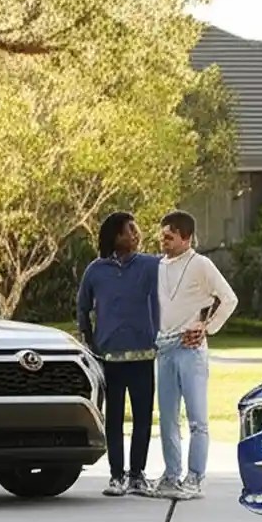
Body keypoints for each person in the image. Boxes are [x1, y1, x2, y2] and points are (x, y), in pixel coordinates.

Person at [152, 210, 237, 500]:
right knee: (167, 418)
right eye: (162, 235)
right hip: (163, 349)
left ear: (186, 237)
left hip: (190, 348)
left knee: (197, 419)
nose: (163, 241)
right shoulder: (158, 267)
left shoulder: (201, 264)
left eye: (169, 236)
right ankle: (170, 475)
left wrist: (207, 327)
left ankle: (195, 477)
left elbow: (229, 299)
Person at [77, 211, 160, 497]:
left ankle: (137, 475)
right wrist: (88, 339)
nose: (136, 234)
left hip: (144, 356)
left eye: (136, 229)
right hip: (110, 359)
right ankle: (116, 476)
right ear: (115, 236)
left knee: (142, 418)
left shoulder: (152, 265)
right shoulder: (95, 270)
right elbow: (82, 307)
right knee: (113, 419)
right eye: (129, 230)